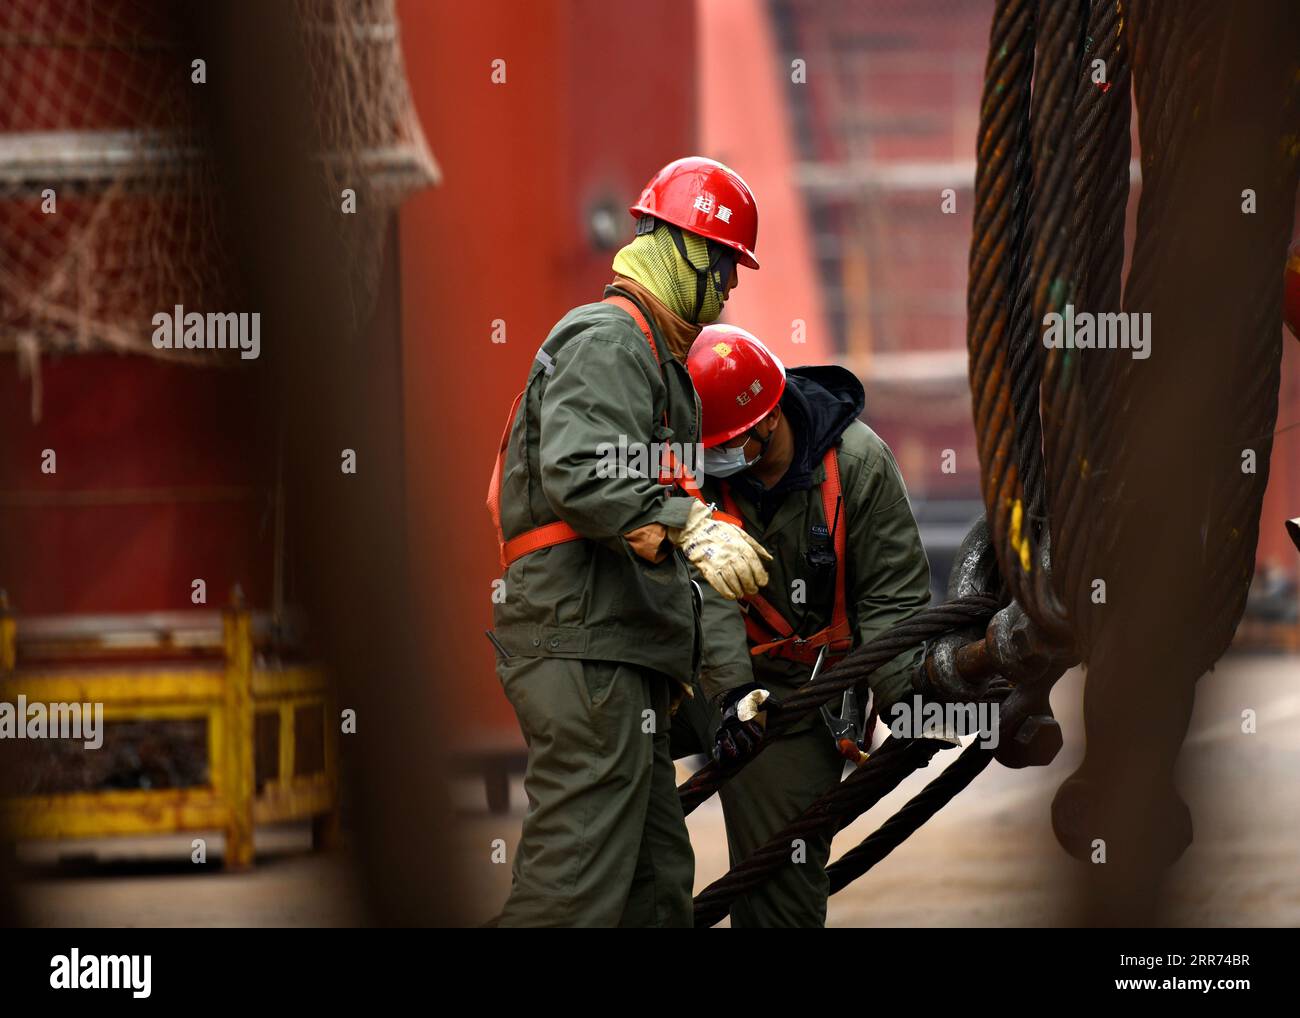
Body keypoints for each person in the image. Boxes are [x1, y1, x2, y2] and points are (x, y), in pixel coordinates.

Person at [485, 157, 771, 926]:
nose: (731, 289)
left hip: (621, 655)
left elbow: (655, 514)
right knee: (572, 891)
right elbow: (578, 469)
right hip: (586, 653)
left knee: (652, 893)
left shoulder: (657, 363)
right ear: (685, 250)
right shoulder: (609, 340)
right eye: (727, 267)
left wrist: (722, 687)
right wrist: (691, 525)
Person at [673, 323, 932, 927]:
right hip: (703, 675)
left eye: (726, 443)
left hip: (796, 698)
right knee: (610, 758)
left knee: (777, 890)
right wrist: (731, 691)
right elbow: (701, 591)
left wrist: (912, 702)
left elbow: (892, 602)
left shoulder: (860, 465)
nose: (714, 459)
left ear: (767, 420)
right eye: (706, 446)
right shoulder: (700, 466)